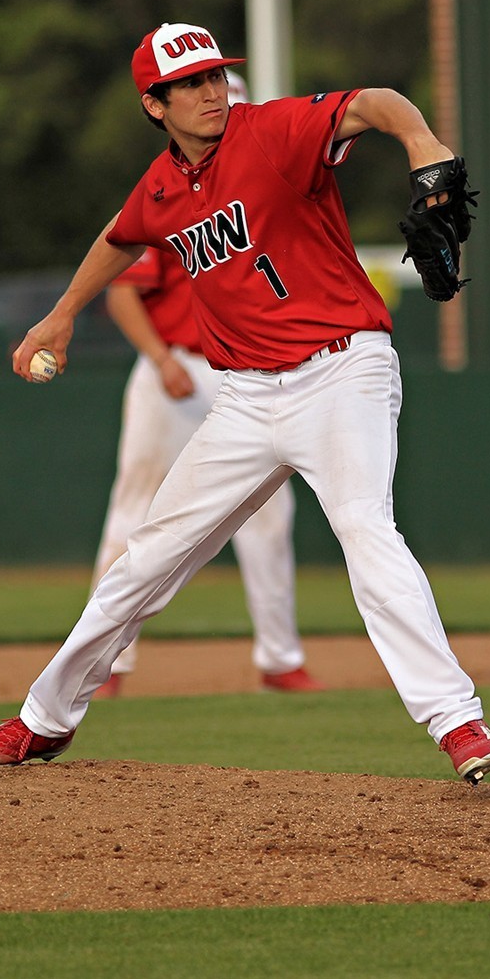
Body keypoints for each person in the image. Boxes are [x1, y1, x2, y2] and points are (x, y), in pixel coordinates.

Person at [0, 21, 490, 783]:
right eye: (190, 83)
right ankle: (42, 721)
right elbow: (121, 236)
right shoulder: (161, 185)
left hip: (342, 370)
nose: (211, 91)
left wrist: (425, 149)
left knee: (364, 528)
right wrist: (62, 313)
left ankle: (458, 722)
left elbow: (378, 103)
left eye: (215, 75)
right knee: (144, 559)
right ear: (155, 104)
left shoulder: (274, 130)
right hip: (245, 396)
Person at [91, 68, 318, 698]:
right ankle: (105, 661)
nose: (221, 109)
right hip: (176, 371)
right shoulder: (167, 198)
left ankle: (280, 657)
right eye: (207, 97)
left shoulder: (268, 189)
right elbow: (123, 293)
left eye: (232, 100)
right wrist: (160, 357)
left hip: (248, 374)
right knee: (134, 512)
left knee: (269, 518)